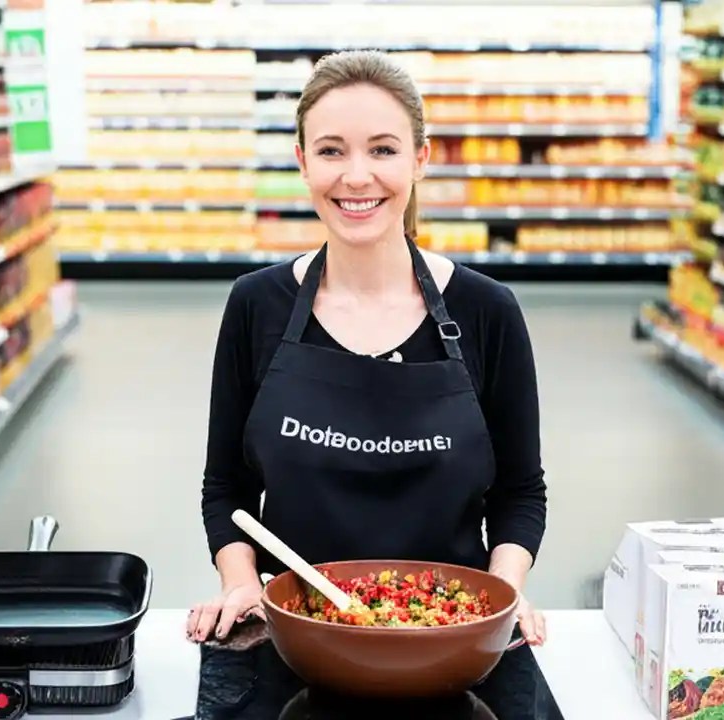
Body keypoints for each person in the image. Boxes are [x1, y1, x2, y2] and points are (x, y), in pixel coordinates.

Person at [188, 50, 548, 647]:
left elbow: (520, 492)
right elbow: (226, 487)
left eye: (383, 149)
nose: (357, 176)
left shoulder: (487, 310)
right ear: (303, 163)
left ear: (420, 160)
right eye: (332, 150)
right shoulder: (257, 304)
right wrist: (242, 581)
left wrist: (502, 594)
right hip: (296, 634)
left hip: (449, 638)